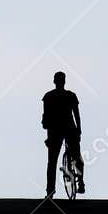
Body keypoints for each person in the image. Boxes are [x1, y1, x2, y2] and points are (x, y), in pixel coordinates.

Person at [41, 71, 83, 199]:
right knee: (77, 157)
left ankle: (50, 191)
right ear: (64, 81)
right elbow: (77, 115)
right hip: (70, 129)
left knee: (52, 162)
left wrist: (48, 134)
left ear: (54, 81)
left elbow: (46, 118)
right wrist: (79, 130)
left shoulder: (48, 96)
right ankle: (81, 182)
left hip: (55, 131)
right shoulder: (71, 96)